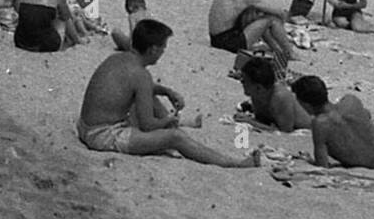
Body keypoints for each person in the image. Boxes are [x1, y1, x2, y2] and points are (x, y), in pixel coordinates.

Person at [77, 19, 259, 166]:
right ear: (153, 49)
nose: (163, 52)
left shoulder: (119, 59)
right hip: (102, 136)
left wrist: (166, 91)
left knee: (150, 97)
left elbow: (131, 88)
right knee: (175, 137)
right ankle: (235, 163)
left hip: (86, 126)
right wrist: (167, 120)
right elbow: (148, 124)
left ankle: (172, 129)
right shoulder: (141, 75)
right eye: (163, 48)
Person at [291, 77, 374, 169]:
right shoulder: (350, 100)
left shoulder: (319, 124)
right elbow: (366, 117)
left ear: (306, 104)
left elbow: (322, 164)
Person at [208, 0, 294, 71]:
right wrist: (282, 21)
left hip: (215, 39)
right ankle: (290, 53)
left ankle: (277, 50)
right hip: (228, 42)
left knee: (256, 16)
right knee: (271, 19)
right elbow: (279, 12)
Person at [238, 57, 311, 131]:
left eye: (244, 81)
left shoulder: (280, 97)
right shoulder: (257, 94)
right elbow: (261, 119)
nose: (241, 82)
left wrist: (250, 122)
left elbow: (285, 130)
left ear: (258, 88)